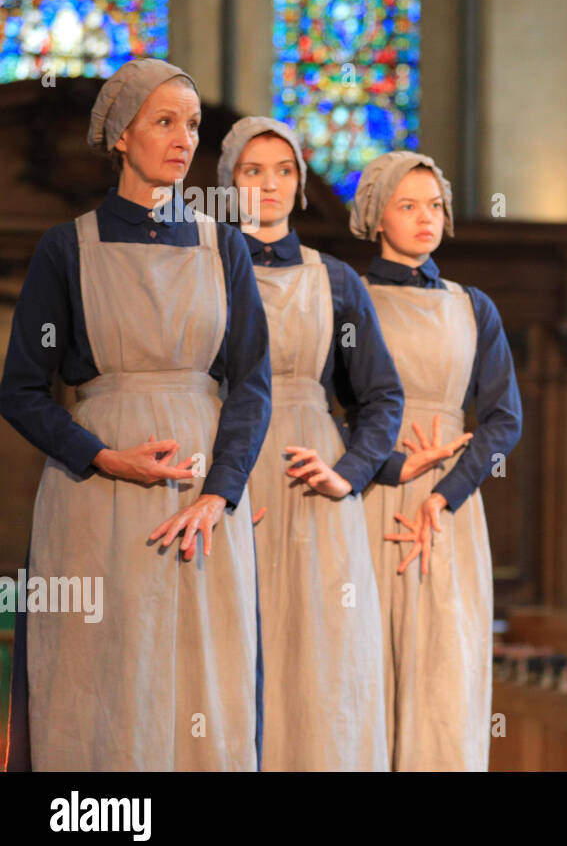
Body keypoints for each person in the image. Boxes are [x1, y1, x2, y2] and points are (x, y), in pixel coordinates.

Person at [0, 59, 271, 770]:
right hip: (98, 497)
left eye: (192, 125)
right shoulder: (68, 247)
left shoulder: (225, 247)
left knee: (205, 679)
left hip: (204, 504)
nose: (183, 139)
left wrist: (221, 490)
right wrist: (101, 455)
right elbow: (21, 387)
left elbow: (252, 385)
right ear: (120, 135)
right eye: (163, 122)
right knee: (102, 680)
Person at [220, 116, 442, 769]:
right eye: (252, 171)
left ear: (301, 182)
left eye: (284, 170)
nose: (270, 185)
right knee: (228, 651)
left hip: (315, 489)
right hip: (230, 481)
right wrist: (216, 481)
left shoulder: (336, 280)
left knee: (319, 657)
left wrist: (348, 473)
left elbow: (381, 398)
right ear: (227, 182)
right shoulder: (203, 268)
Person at [351, 151, 522, 771]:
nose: (426, 218)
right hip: (366, 498)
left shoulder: (472, 305)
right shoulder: (351, 299)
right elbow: (324, 408)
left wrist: (444, 494)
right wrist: (385, 466)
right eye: (407, 205)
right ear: (376, 217)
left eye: (434, 205)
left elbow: (504, 419)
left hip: (446, 507)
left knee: (444, 675)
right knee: (365, 669)